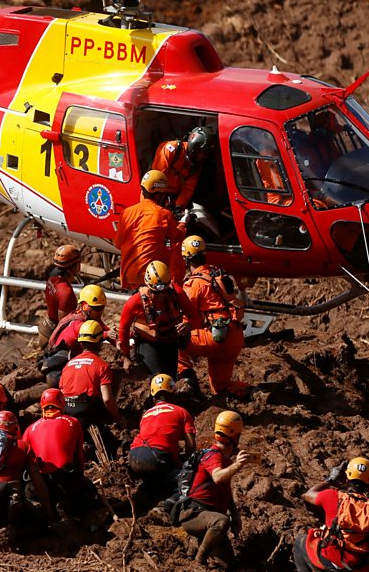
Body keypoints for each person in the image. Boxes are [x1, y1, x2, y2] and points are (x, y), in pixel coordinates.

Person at [172, 410, 255, 567]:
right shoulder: (213, 455)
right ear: (236, 437)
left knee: (228, 565)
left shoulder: (224, 460)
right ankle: (199, 561)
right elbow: (218, 477)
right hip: (194, 514)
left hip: (210, 517)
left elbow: (225, 490)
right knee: (222, 521)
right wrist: (238, 465)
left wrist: (235, 514)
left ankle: (202, 548)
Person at [293, 457, 369, 572]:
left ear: (346, 479)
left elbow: (308, 494)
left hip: (332, 559)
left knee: (300, 541)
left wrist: (330, 479)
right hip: (361, 564)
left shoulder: (332, 496)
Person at [179, 235, 249, 396]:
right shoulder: (218, 274)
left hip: (215, 338)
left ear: (186, 259)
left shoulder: (194, 283)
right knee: (220, 387)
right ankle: (254, 392)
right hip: (234, 337)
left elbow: (187, 316)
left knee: (172, 338)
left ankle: (187, 380)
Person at [21, 388, 97, 519]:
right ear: (62, 404)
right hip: (66, 483)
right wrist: (79, 478)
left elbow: (25, 462)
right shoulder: (73, 422)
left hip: (39, 485)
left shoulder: (29, 429)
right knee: (90, 490)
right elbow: (79, 457)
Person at [117, 261, 198, 376]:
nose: (160, 296)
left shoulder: (177, 293)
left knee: (170, 378)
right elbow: (124, 328)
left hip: (170, 341)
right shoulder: (135, 302)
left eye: (164, 292)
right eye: (155, 293)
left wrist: (189, 325)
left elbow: (195, 317)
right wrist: (126, 356)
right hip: (148, 342)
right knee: (158, 377)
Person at [128, 374, 196, 505]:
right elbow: (191, 445)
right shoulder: (182, 412)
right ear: (173, 393)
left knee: (158, 476)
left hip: (134, 456)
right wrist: (187, 465)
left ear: (153, 397)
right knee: (189, 480)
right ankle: (166, 506)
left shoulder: (146, 414)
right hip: (156, 457)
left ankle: (144, 493)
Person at [114, 170, 185, 290]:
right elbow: (177, 237)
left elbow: (117, 243)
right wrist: (183, 223)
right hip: (152, 277)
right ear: (159, 195)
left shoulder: (126, 213)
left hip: (129, 276)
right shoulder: (164, 215)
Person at [151, 126, 221, 236]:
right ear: (195, 147)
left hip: (172, 197)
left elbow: (189, 187)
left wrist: (178, 207)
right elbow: (155, 178)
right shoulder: (171, 150)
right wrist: (157, 205)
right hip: (153, 193)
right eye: (203, 154)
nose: (203, 157)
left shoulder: (195, 166)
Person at [59, 320, 123, 439]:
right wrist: (119, 419)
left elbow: (61, 393)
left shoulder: (68, 365)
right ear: (100, 342)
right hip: (87, 416)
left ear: (81, 343)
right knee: (113, 443)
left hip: (66, 414)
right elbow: (107, 399)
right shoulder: (102, 366)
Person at [40, 284, 112, 388]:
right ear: (85, 306)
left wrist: (117, 337)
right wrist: (107, 335)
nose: (100, 311)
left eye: (102, 308)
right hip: (61, 363)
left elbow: (104, 329)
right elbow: (93, 334)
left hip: (64, 358)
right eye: (97, 308)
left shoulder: (85, 315)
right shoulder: (80, 324)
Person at [44, 244, 82, 326]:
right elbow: (63, 324)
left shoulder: (52, 279)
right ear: (74, 266)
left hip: (48, 325)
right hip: (57, 329)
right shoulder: (66, 292)